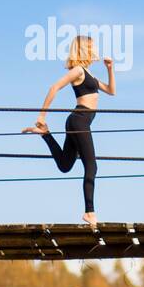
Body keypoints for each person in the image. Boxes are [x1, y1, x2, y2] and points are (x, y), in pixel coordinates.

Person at [22, 36, 116, 226]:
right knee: (92, 166)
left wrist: (110, 69)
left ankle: (46, 135)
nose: (94, 52)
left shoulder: (89, 74)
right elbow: (54, 86)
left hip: (79, 122)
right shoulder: (78, 71)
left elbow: (111, 90)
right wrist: (42, 115)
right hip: (79, 120)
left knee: (65, 165)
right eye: (91, 48)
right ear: (83, 50)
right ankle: (90, 212)